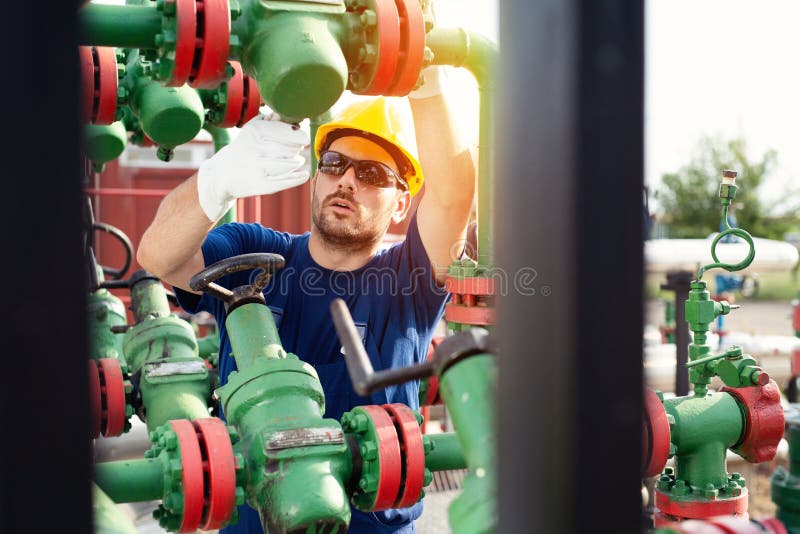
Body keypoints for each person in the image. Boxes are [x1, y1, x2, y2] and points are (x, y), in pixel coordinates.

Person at [137, 68, 475, 533]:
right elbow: (158, 255)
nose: (347, 181)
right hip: (254, 521)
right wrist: (217, 181)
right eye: (335, 165)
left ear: (401, 203)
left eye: (372, 173)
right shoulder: (250, 253)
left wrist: (424, 71)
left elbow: (454, 195)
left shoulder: (408, 280)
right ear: (316, 179)